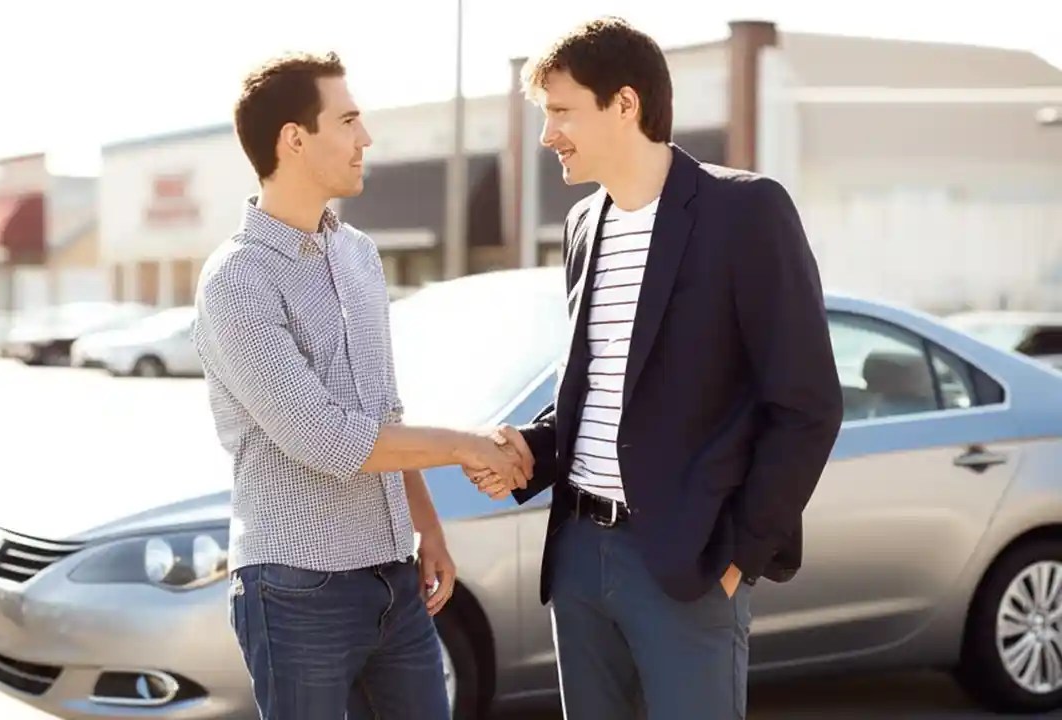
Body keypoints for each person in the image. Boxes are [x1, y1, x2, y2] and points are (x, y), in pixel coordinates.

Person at [470, 17, 844, 719]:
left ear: (625, 103)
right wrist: (534, 446)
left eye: (561, 112)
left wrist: (737, 559)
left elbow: (807, 405)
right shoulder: (583, 225)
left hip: (688, 564)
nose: (549, 134)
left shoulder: (745, 211)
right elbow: (601, 389)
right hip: (578, 558)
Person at [191, 51, 532, 720]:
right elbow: (324, 438)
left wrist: (428, 529)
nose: (365, 138)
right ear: (294, 139)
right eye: (347, 120)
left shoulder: (360, 255)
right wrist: (468, 447)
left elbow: (384, 412)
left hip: (394, 578)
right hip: (296, 591)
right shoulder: (238, 280)